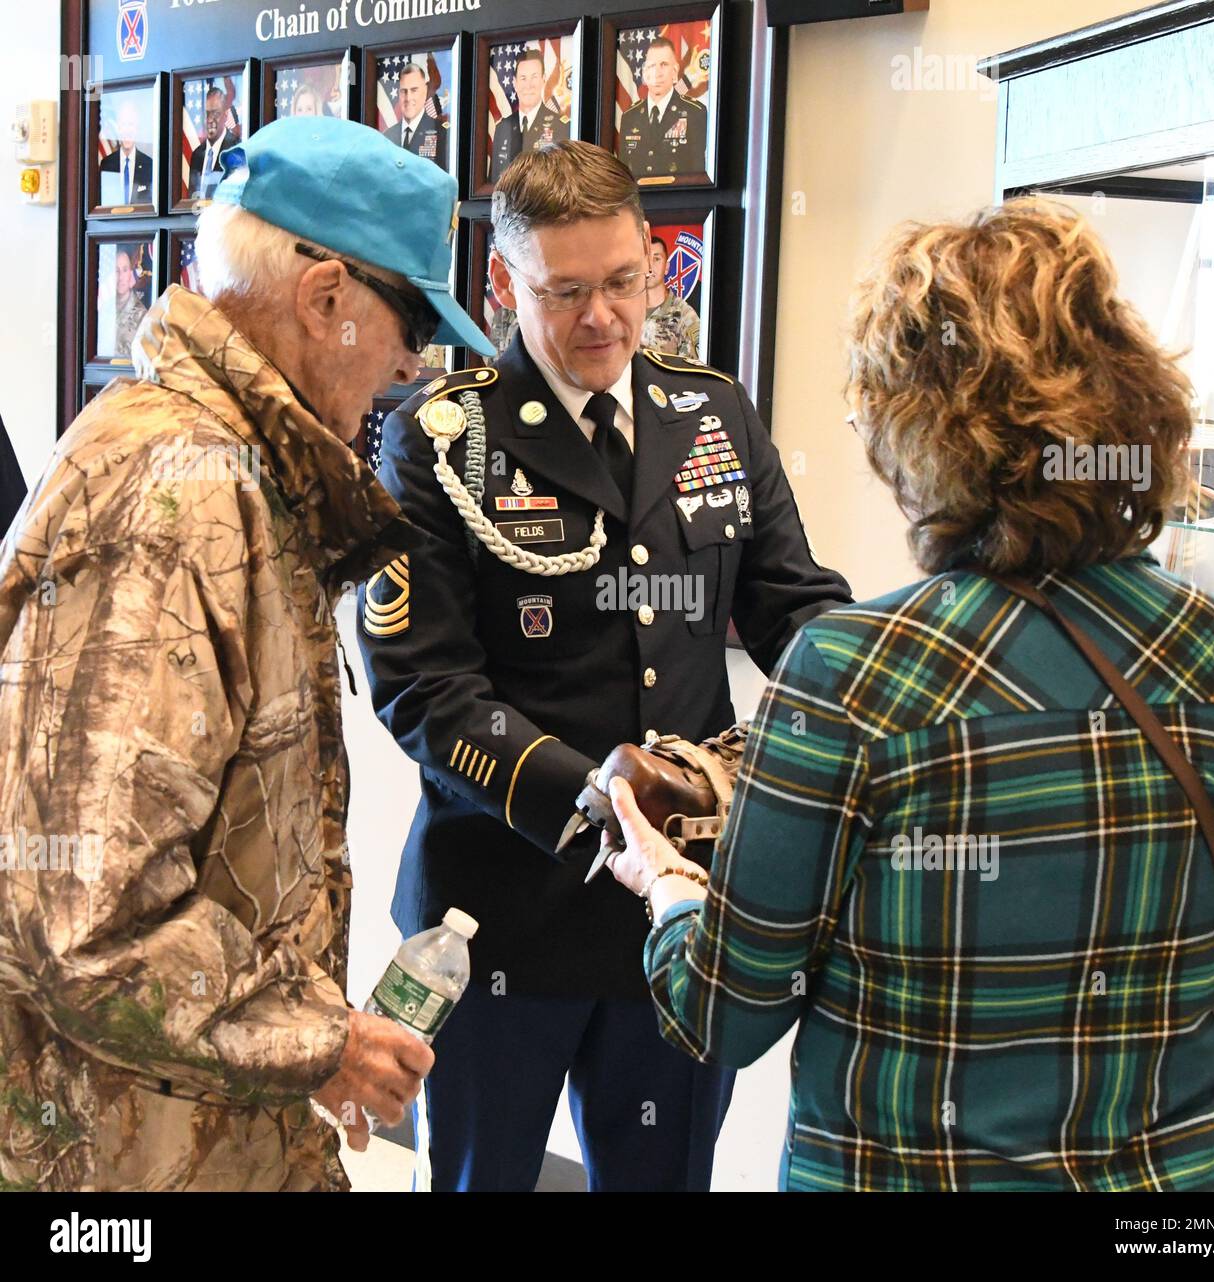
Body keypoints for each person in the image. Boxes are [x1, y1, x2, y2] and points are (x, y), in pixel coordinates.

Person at [601, 198, 1214, 1192]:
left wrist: (670, 888)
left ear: (922, 431)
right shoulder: (1207, 644)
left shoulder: (853, 671)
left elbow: (723, 1013)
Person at [0, 115, 494, 1192]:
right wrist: (321, 1040)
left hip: (194, 1134)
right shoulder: (175, 499)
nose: (413, 364)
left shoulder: (233, 475)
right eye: (408, 319)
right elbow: (87, 920)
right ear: (323, 298)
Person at [356, 139, 852, 1192]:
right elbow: (423, 688)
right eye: (565, 291)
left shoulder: (709, 412)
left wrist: (885, 680)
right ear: (502, 285)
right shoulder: (439, 438)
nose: (601, 319)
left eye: (623, 283)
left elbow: (791, 604)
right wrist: (595, 800)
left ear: (656, 267)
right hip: (503, 916)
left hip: (676, 913)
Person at [619, 37, 706, 182]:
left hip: (679, 199)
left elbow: (698, 174)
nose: (657, 73)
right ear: (645, 73)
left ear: (675, 72)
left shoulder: (694, 112)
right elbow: (623, 175)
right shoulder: (629, 117)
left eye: (664, 65)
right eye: (652, 66)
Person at [489, 48, 570, 182]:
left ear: (543, 80)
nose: (529, 85)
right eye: (523, 78)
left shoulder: (561, 126)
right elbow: (493, 184)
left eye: (534, 77)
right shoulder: (503, 127)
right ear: (515, 83)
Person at [641, 235, 701, 358]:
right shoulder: (626, 310)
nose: (650, 267)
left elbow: (694, 370)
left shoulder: (684, 315)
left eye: (656, 259)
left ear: (667, 267)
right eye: (645, 259)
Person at [383, 63, 446, 168]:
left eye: (414, 90)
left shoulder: (442, 133)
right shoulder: (388, 136)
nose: (408, 98)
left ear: (425, 90)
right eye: (404, 91)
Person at [99, 98, 153, 206]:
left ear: (137, 129)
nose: (127, 130)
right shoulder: (106, 164)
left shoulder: (149, 164)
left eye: (131, 124)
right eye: (124, 125)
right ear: (118, 129)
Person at [189, 85, 238, 201]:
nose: (210, 119)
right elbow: (191, 201)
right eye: (207, 114)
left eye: (215, 114)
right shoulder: (196, 155)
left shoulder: (236, 150)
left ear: (225, 116)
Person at [112, 247, 148, 357]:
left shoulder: (142, 315)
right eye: (116, 271)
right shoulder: (103, 309)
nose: (121, 277)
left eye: (125, 270)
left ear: (130, 274)